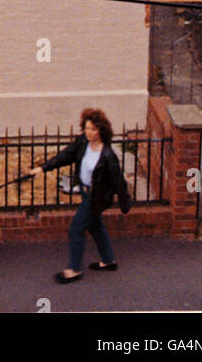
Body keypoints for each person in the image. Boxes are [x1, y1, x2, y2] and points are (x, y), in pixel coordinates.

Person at [30, 107, 132, 284]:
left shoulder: (108, 155)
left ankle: (75, 269)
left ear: (101, 130)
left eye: (93, 129)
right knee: (95, 226)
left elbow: (118, 181)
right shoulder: (82, 143)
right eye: (86, 128)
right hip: (85, 193)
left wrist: (125, 204)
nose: (89, 132)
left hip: (97, 198)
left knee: (76, 228)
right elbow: (65, 156)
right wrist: (43, 168)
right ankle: (108, 260)